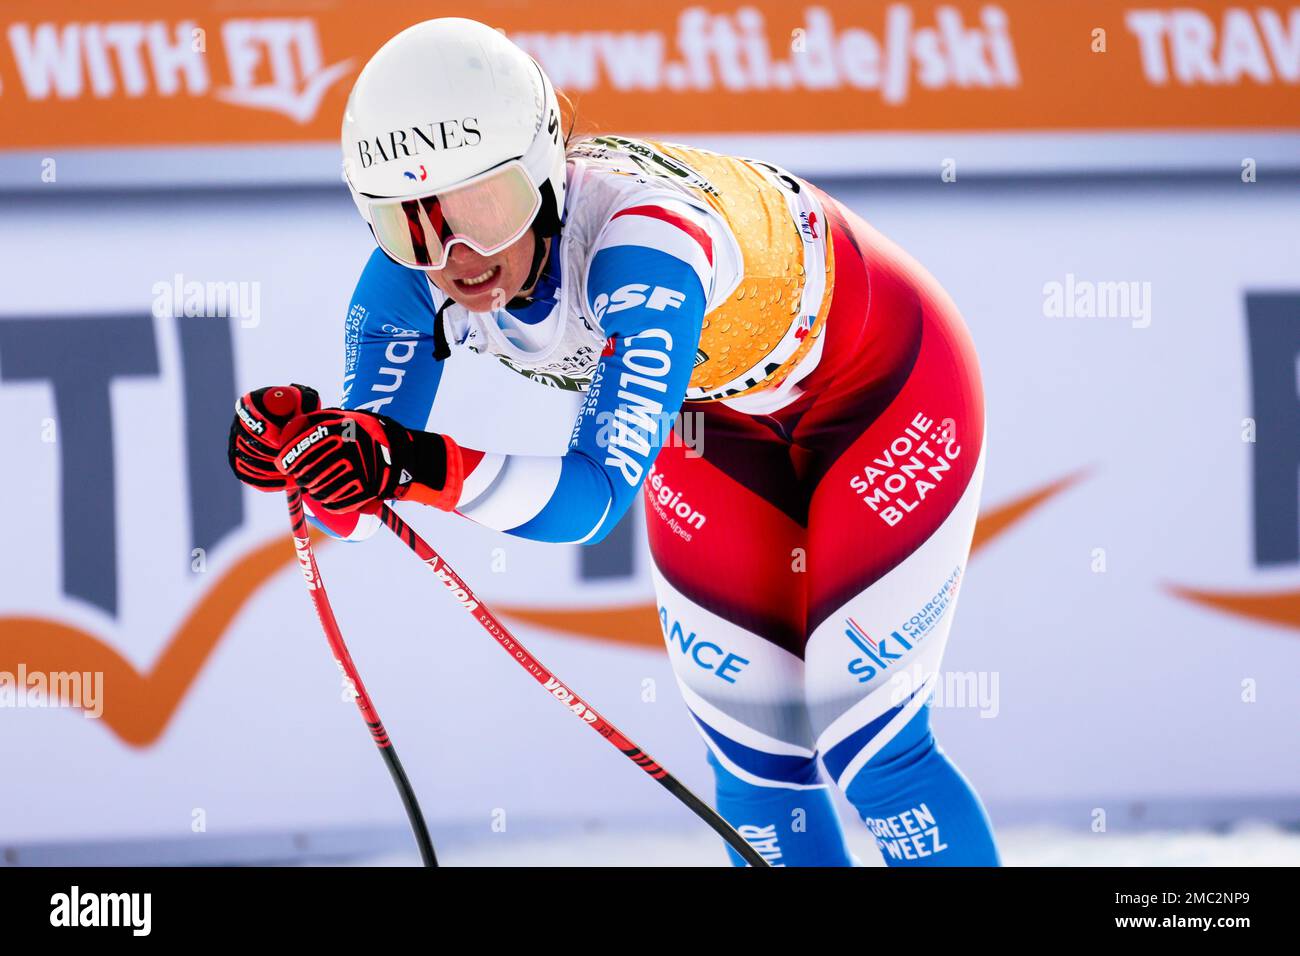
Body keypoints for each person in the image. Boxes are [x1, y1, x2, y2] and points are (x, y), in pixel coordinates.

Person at [228, 17, 999, 867]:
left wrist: (409, 463)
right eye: (410, 223)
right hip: (711, 423)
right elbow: (355, 513)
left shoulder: (642, 241)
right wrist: (304, 449)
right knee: (756, 765)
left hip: (880, 385)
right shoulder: (403, 284)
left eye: (485, 206)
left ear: (546, 171)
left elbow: (591, 502)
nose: (454, 254)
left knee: (872, 748)